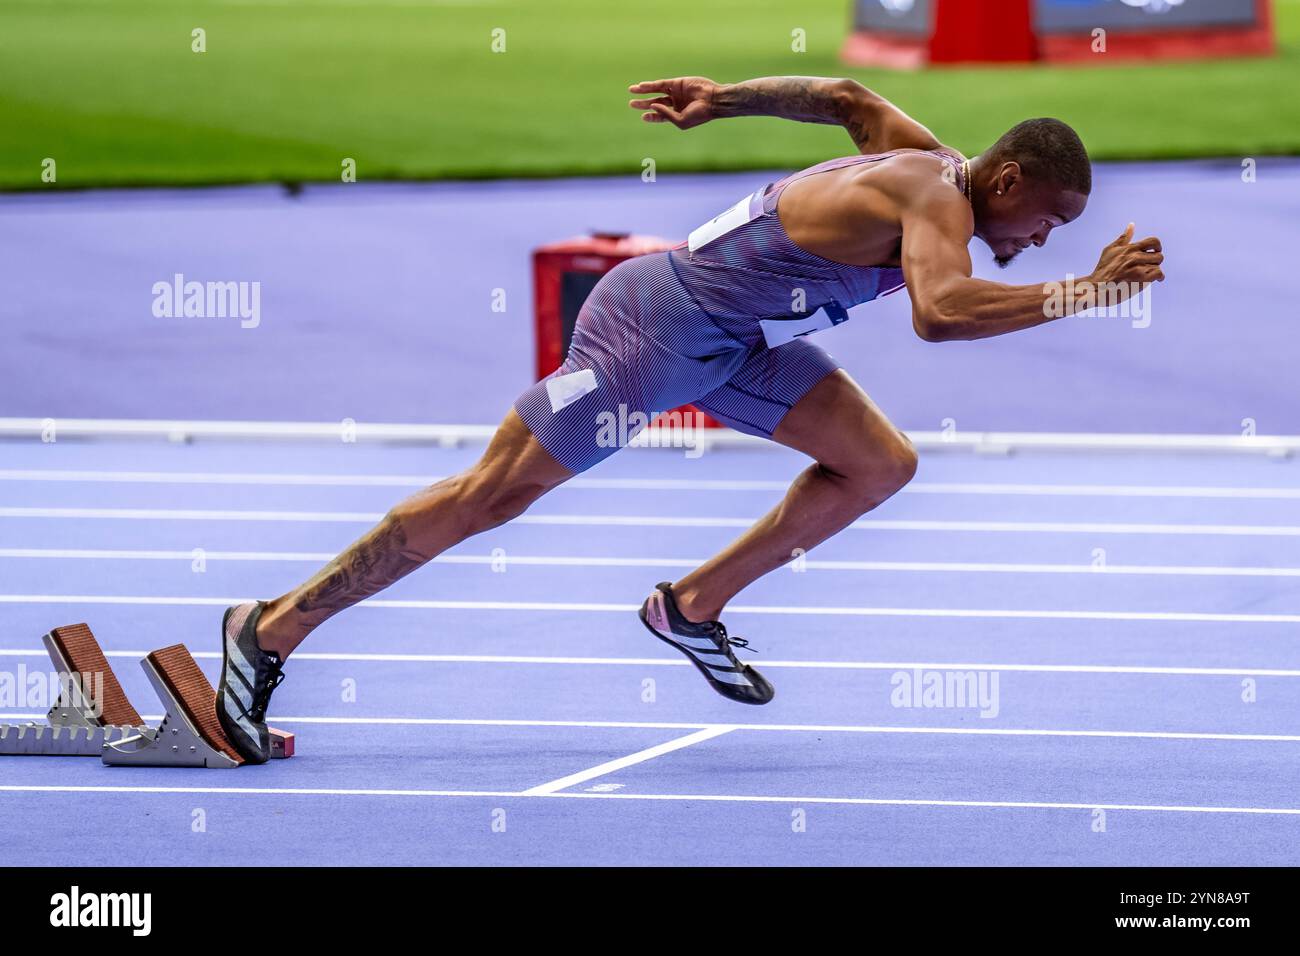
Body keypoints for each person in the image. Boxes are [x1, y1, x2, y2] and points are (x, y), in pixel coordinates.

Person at [216, 75, 1164, 761]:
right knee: (492, 500)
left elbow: (846, 97)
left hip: (736, 342)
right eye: (1047, 222)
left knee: (878, 465)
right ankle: (268, 630)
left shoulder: (933, 164)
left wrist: (726, 97)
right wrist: (1080, 291)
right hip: (655, 325)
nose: (1040, 240)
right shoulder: (933, 197)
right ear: (1007, 185)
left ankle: (690, 605)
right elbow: (940, 315)